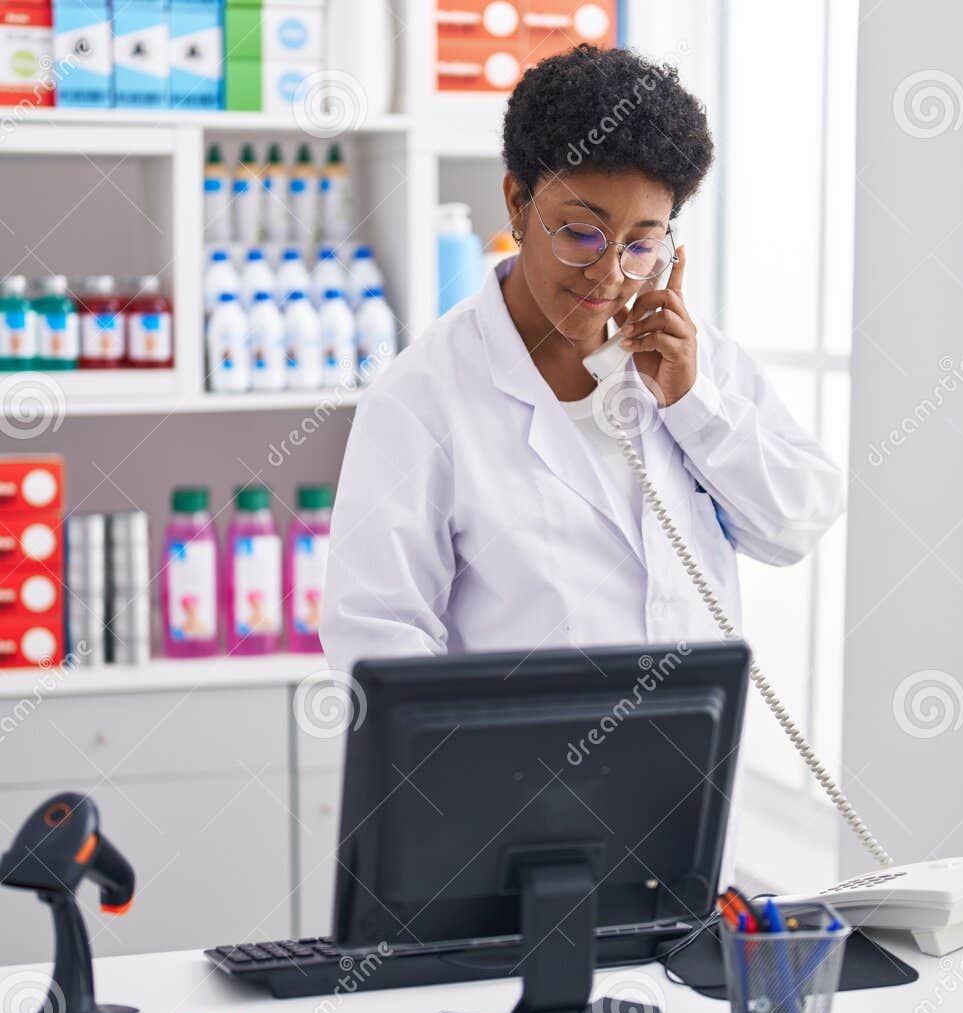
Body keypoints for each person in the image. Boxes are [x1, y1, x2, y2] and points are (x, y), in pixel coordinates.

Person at [322, 45, 845, 676]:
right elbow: (377, 636)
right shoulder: (421, 398)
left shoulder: (692, 356)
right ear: (518, 205)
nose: (609, 273)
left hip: (688, 759)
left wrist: (692, 404)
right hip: (522, 770)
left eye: (641, 243)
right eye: (580, 232)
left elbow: (794, 527)